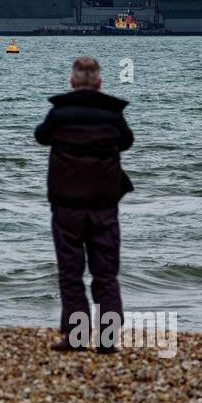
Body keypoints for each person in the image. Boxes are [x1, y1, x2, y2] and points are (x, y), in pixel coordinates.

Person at [33, 56, 134, 352]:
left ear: (72, 82)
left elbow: (41, 137)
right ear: (100, 83)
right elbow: (127, 142)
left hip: (67, 206)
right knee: (105, 273)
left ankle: (77, 337)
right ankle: (107, 339)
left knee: (71, 272)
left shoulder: (59, 113)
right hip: (104, 206)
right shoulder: (113, 116)